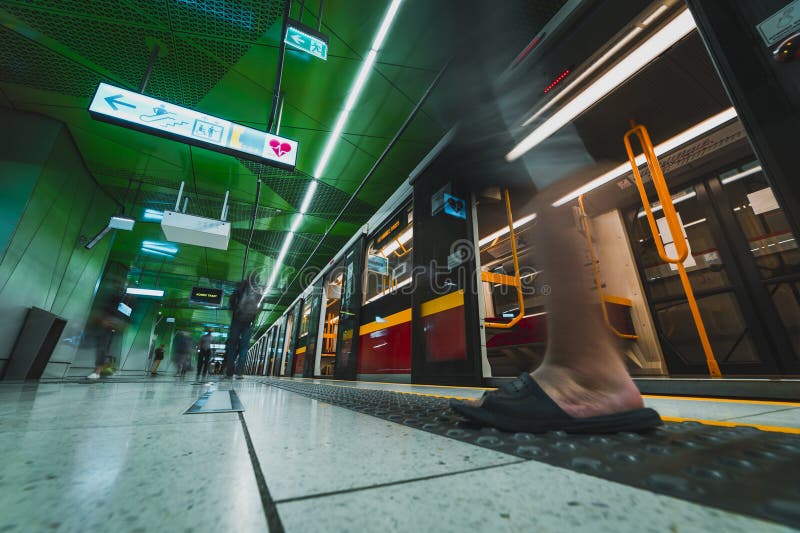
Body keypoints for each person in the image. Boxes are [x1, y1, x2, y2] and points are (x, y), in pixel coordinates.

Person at [224, 274, 264, 379]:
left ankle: (229, 371)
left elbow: (231, 301)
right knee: (244, 347)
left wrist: (234, 311)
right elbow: (260, 307)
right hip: (249, 321)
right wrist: (253, 317)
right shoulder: (259, 290)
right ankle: (239, 372)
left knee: (232, 345)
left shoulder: (241, 286)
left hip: (237, 319)